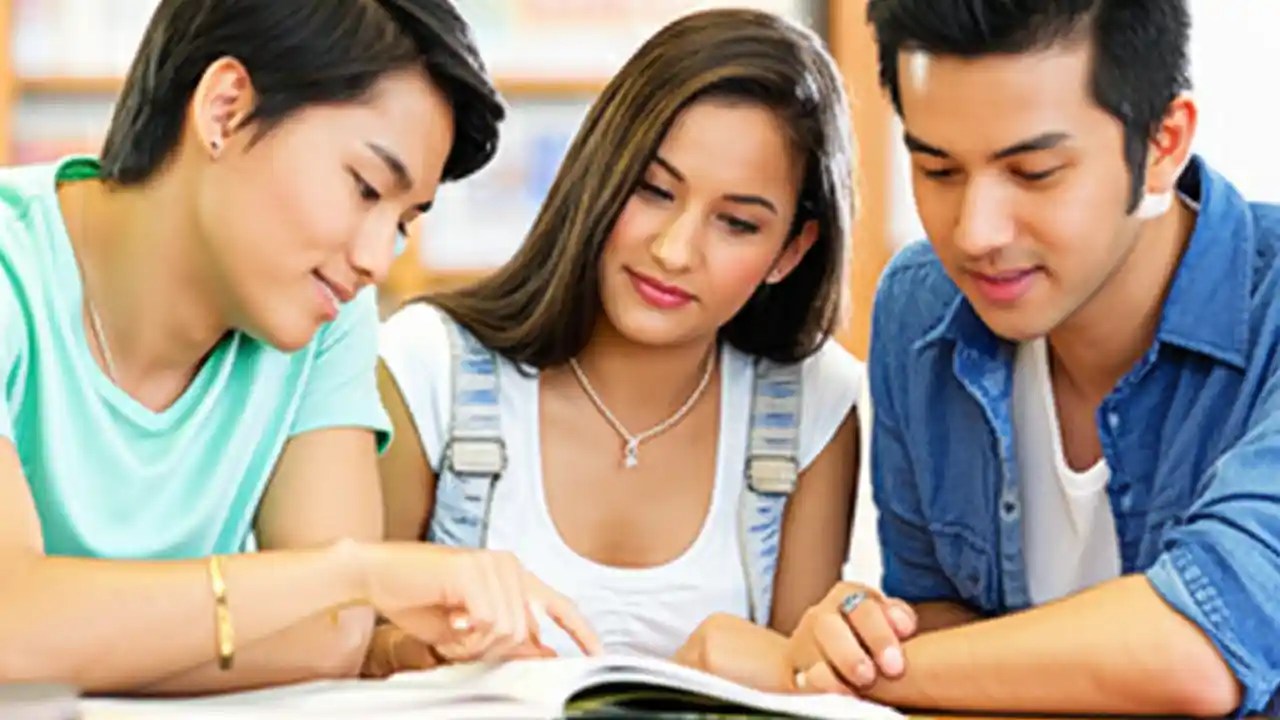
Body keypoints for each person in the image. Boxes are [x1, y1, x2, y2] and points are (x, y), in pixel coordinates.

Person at [0, 0, 598, 696]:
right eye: (366, 188)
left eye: (402, 220)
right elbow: (13, 627)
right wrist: (352, 573)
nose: (378, 257)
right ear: (225, 111)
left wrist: (380, 640)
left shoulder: (322, 310)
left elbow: (333, 635)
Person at [780, 0, 1280, 716]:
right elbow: (938, 622)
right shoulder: (921, 310)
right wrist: (863, 634)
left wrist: (824, 672)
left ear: (1163, 143)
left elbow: (1201, 650)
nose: (976, 233)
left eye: (1035, 172)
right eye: (939, 170)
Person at [373, 7, 863, 671]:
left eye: (738, 224)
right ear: (601, 171)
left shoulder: (816, 405)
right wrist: (422, 649)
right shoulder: (428, 366)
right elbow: (339, 651)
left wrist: (781, 668)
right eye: (654, 190)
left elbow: (804, 678)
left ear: (791, 251)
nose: (674, 249)